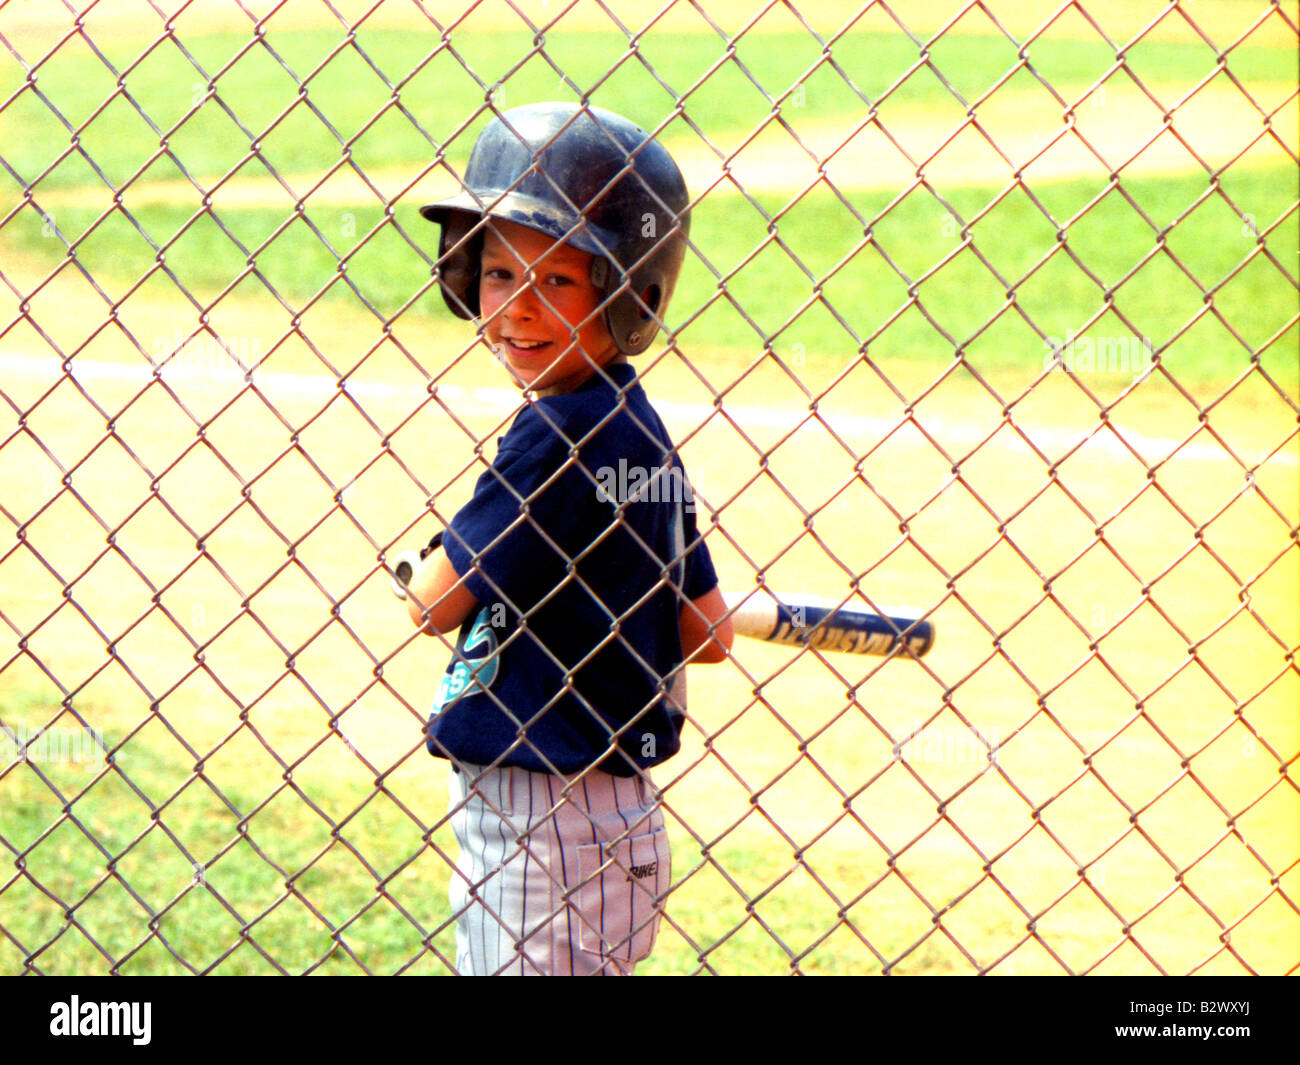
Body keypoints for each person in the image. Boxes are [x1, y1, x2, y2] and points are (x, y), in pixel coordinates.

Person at [402, 102, 733, 975]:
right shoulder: (639, 429)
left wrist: (425, 567)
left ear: (627, 294)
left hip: (533, 820)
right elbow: (708, 633)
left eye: (557, 281)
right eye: (500, 271)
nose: (516, 308)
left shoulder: (556, 434)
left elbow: (435, 602)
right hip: (616, 818)